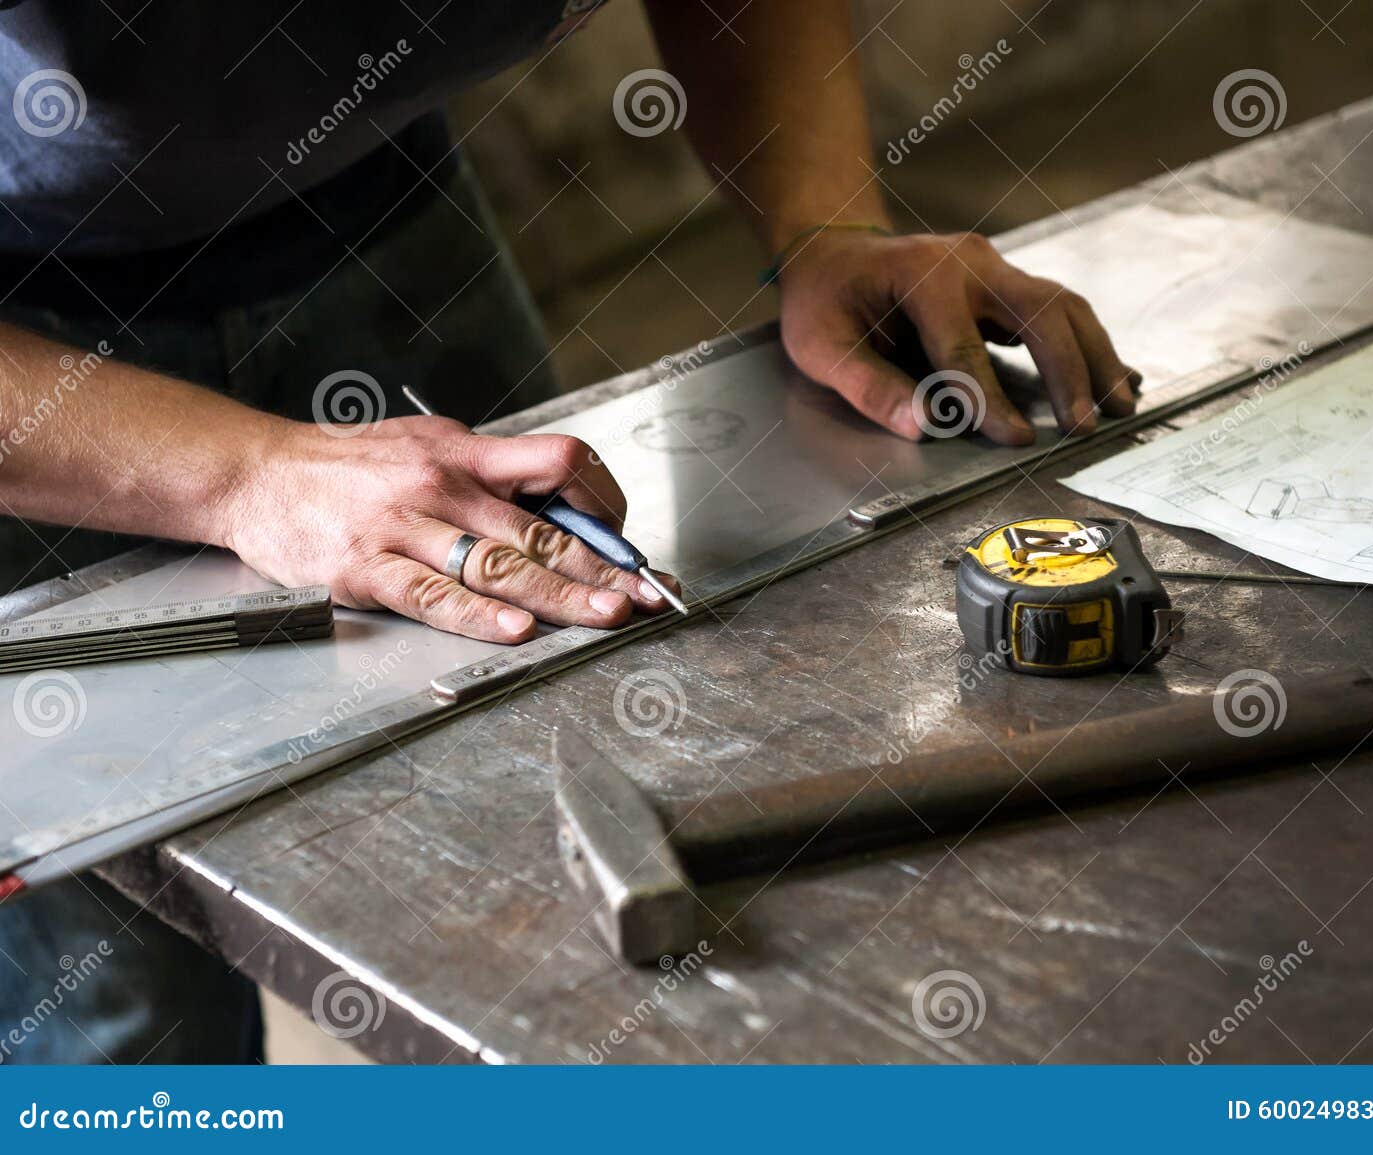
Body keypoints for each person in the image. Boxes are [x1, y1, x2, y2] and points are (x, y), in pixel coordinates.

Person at [0, 3, 1134, 1062]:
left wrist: (821, 218)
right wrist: (245, 476)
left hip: (376, 218)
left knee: (551, 900)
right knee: (117, 1008)